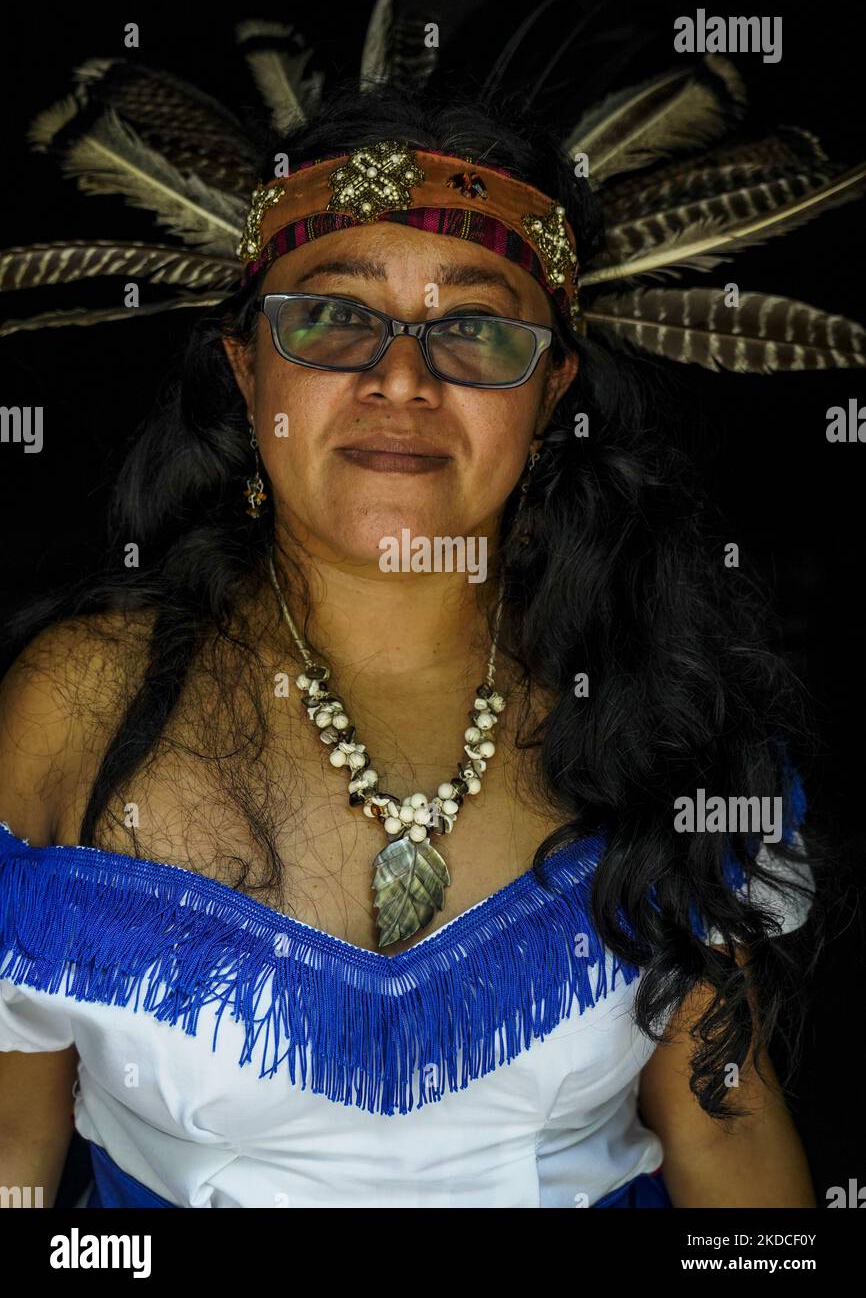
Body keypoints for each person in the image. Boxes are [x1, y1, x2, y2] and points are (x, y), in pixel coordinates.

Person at [0, 79, 822, 1209]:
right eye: (332, 318)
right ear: (247, 372)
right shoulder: (76, 706)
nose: (400, 379)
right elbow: (11, 1154)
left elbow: (724, 1130)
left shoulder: (656, 710)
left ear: (549, 392)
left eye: (477, 330)